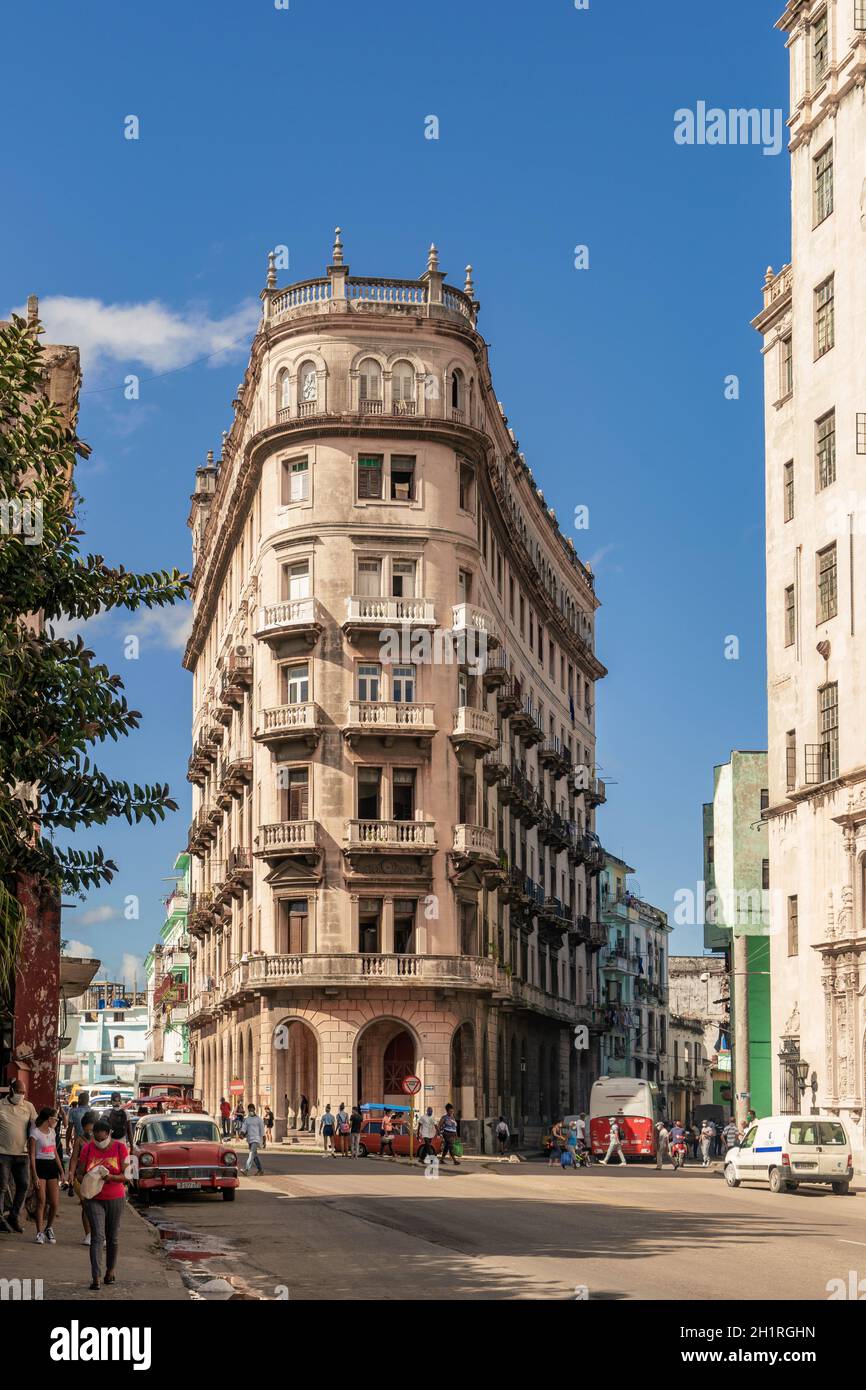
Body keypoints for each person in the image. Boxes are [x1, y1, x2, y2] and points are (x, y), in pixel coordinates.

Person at [76, 1117, 131, 1290]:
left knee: (112, 1237)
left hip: (115, 1196)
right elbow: (79, 1172)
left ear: (108, 1134)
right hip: (94, 1198)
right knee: (97, 1237)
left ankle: (110, 1271)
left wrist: (111, 1177)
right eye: (96, 1138)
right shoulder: (87, 1148)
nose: (99, 1142)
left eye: (102, 1138)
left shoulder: (120, 1147)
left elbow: (127, 1175)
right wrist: (90, 1178)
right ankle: (96, 1277)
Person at [0, 1079, 37, 1234]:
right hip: (3, 1154)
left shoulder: (28, 1106)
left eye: (23, 1092)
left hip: (22, 1154)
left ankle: (13, 1216)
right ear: (11, 1091)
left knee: (23, 1185)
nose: (21, 1095)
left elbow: (37, 1124)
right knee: (1, 1187)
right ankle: (0, 1219)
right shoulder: (1, 1105)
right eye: (19, 1092)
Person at [29, 1106, 63, 1244]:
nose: (56, 1121)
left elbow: (54, 1152)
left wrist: (61, 1170)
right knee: (41, 1200)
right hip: (40, 1166)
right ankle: (39, 1232)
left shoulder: (52, 1132)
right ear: (49, 1119)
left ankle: (49, 1228)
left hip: (51, 1167)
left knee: (54, 1203)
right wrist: (34, 1175)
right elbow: (31, 1155)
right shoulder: (35, 1133)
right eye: (55, 1118)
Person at [65, 1109, 97, 1245]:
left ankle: (98, 1234)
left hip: (97, 1178)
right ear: (83, 1127)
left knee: (98, 1207)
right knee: (86, 1205)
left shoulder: (100, 1140)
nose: (89, 1131)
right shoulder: (79, 1140)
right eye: (87, 1128)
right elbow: (73, 1159)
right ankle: (88, 1234)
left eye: (92, 1128)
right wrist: (71, 1174)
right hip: (82, 1177)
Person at [241, 1105, 265, 1174]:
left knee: (251, 1154)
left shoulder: (259, 1119)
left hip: (256, 1140)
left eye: (252, 1110)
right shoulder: (247, 1119)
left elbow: (262, 1131)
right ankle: (260, 1170)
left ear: (254, 1109)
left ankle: (246, 1169)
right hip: (249, 1140)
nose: (251, 1111)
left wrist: (264, 1141)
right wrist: (242, 1134)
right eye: (249, 1110)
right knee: (254, 1156)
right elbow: (244, 1128)